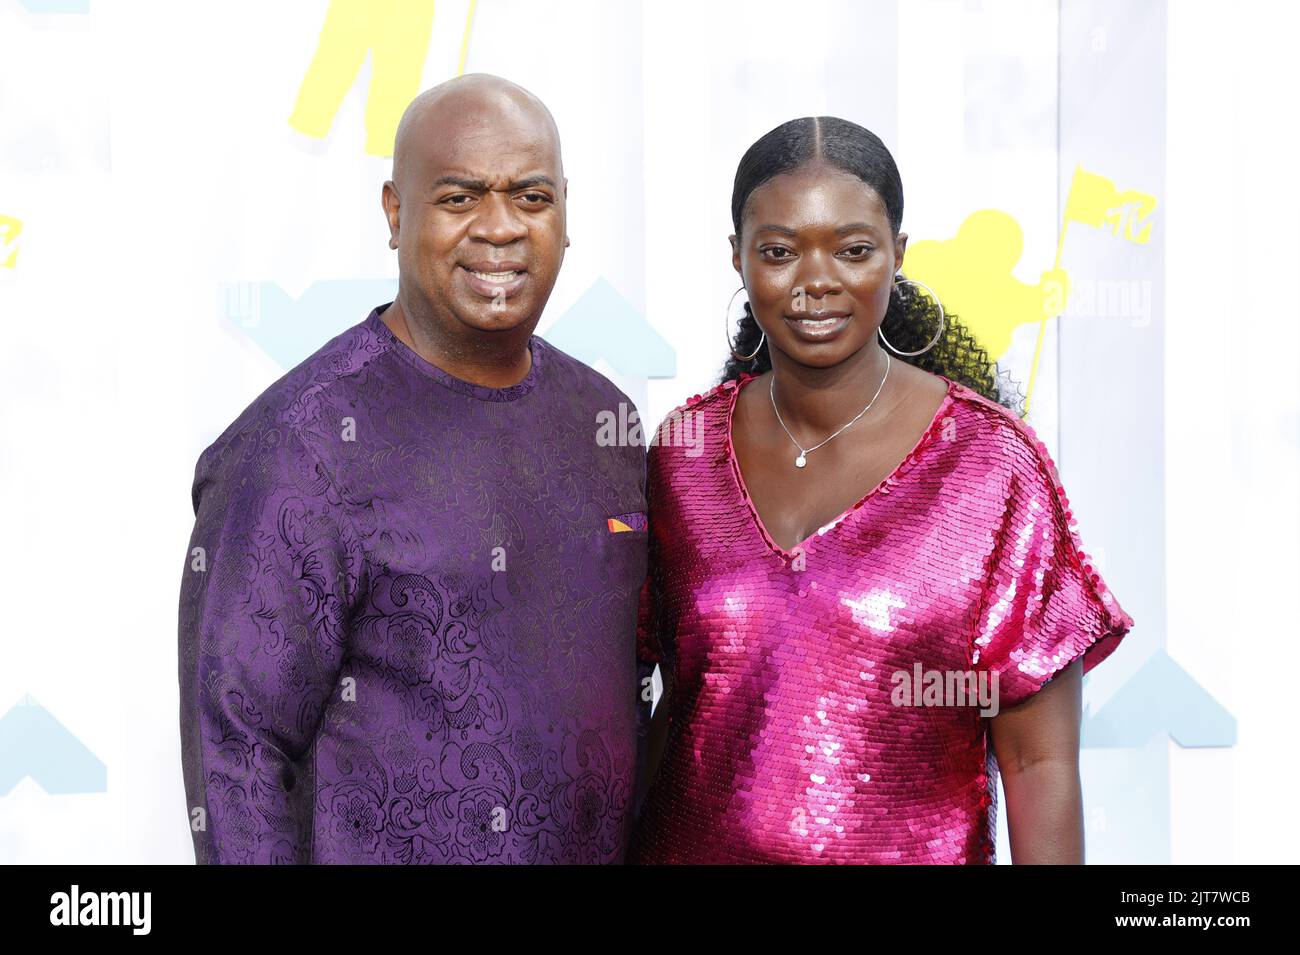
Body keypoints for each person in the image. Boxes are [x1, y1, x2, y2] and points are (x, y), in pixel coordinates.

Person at [630, 116, 1134, 864]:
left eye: (854, 248)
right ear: (736, 257)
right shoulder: (683, 455)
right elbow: (671, 704)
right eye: (778, 251)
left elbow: (1040, 764)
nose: (817, 281)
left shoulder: (993, 467)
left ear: (898, 255)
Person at [178, 74, 648, 864]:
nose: (500, 229)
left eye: (531, 198)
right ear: (396, 214)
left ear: (566, 214)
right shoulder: (302, 444)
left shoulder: (605, 421)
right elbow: (239, 753)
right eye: (460, 198)